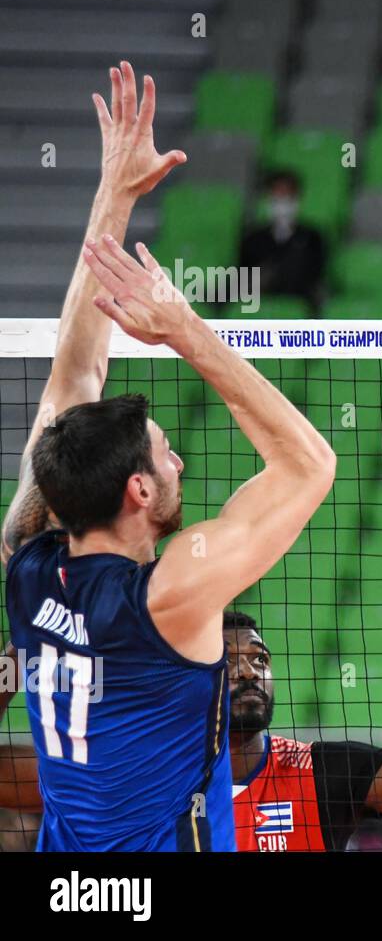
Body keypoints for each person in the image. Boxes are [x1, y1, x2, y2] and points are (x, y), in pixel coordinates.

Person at [0, 60, 337, 851]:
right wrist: (184, 329)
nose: (179, 458)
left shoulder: (25, 558)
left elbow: (73, 378)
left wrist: (116, 194)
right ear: (138, 491)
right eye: (166, 451)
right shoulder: (173, 595)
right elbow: (308, 465)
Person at [0, 511, 382, 852]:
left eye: (260, 658)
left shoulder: (324, 776)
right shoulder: (120, 768)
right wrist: (24, 641)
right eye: (228, 661)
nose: (249, 670)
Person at [238, 169, 327, 310]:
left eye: (286, 196)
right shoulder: (252, 239)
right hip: (258, 303)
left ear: (297, 199)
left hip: (299, 301)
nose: (282, 203)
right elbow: (242, 275)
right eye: (277, 196)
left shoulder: (312, 238)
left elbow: (315, 275)